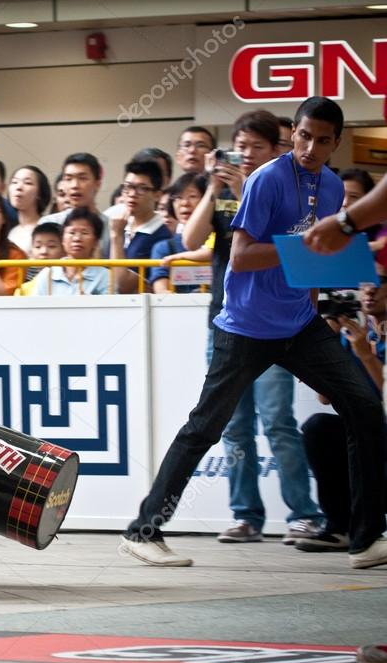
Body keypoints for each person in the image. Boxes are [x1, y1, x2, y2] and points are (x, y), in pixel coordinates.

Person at [119, 97, 387, 570]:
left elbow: (313, 263)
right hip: (245, 326)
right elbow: (241, 257)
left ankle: (365, 538)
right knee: (205, 427)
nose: (310, 148)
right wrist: (303, 246)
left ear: (336, 143)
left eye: (322, 140)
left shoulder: (330, 185)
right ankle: (143, 532)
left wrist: (315, 319)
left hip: (301, 324)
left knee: (365, 406)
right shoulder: (266, 179)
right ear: (294, 133)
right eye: (304, 136)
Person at [183, 109, 323, 545]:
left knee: (278, 420)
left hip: (275, 323)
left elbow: (286, 245)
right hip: (226, 322)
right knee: (233, 424)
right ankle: (246, 515)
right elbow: (190, 240)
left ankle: (305, 514)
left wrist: (246, 189)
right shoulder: (221, 192)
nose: (244, 155)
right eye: (239, 146)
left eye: (255, 147)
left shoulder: (284, 191)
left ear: (276, 150)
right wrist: (213, 188)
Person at [298, 276, 386, 552]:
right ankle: (341, 526)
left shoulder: (365, 341)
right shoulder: (355, 333)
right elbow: (325, 398)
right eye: (365, 284)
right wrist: (327, 347)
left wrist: (367, 357)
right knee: (319, 427)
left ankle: (368, 531)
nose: (370, 290)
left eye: (380, 282)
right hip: (368, 429)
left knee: (365, 432)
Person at [108, 160, 172, 293]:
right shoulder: (122, 223)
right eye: (128, 187)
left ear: (157, 195)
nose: (132, 194)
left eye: (142, 188)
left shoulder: (161, 235)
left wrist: (116, 236)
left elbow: (121, 285)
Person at [149, 173, 211, 294]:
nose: (184, 203)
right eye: (178, 197)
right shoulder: (164, 248)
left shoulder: (223, 239)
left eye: (192, 196)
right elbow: (161, 289)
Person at [28, 208, 109, 296]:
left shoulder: (105, 276)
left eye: (84, 233)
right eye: (72, 233)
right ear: (63, 239)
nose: (77, 238)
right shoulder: (48, 274)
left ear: (96, 242)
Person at [7, 165, 50, 255]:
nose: (18, 187)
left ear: (39, 193)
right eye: (14, 182)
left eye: (27, 183)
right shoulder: (11, 231)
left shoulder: (46, 228)